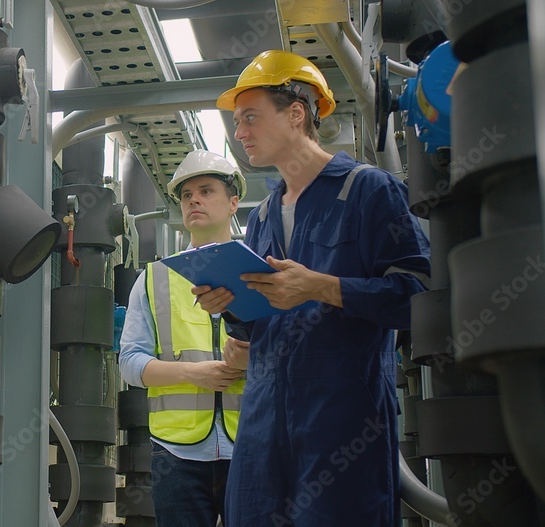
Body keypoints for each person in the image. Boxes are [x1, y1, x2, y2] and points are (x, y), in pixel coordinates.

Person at [201, 49, 431, 526]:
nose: (239, 132)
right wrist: (228, 305)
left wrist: (324, 287)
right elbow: (258, 323)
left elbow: (420, 295)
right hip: (264, 426)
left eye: (250, 118)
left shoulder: (368, 191)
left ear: (296, 113)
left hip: (343, 424)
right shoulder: (262, 216)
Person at [119, 150, 251, 527]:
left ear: (233, 203)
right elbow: (129, 363)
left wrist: (249, 360)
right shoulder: (154, 278)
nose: (194, 199)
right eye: (186, 194)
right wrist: (193, 374)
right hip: (177, 456)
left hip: (253, 446)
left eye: (206, 191)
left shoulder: (261, 271)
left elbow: (292, 354)